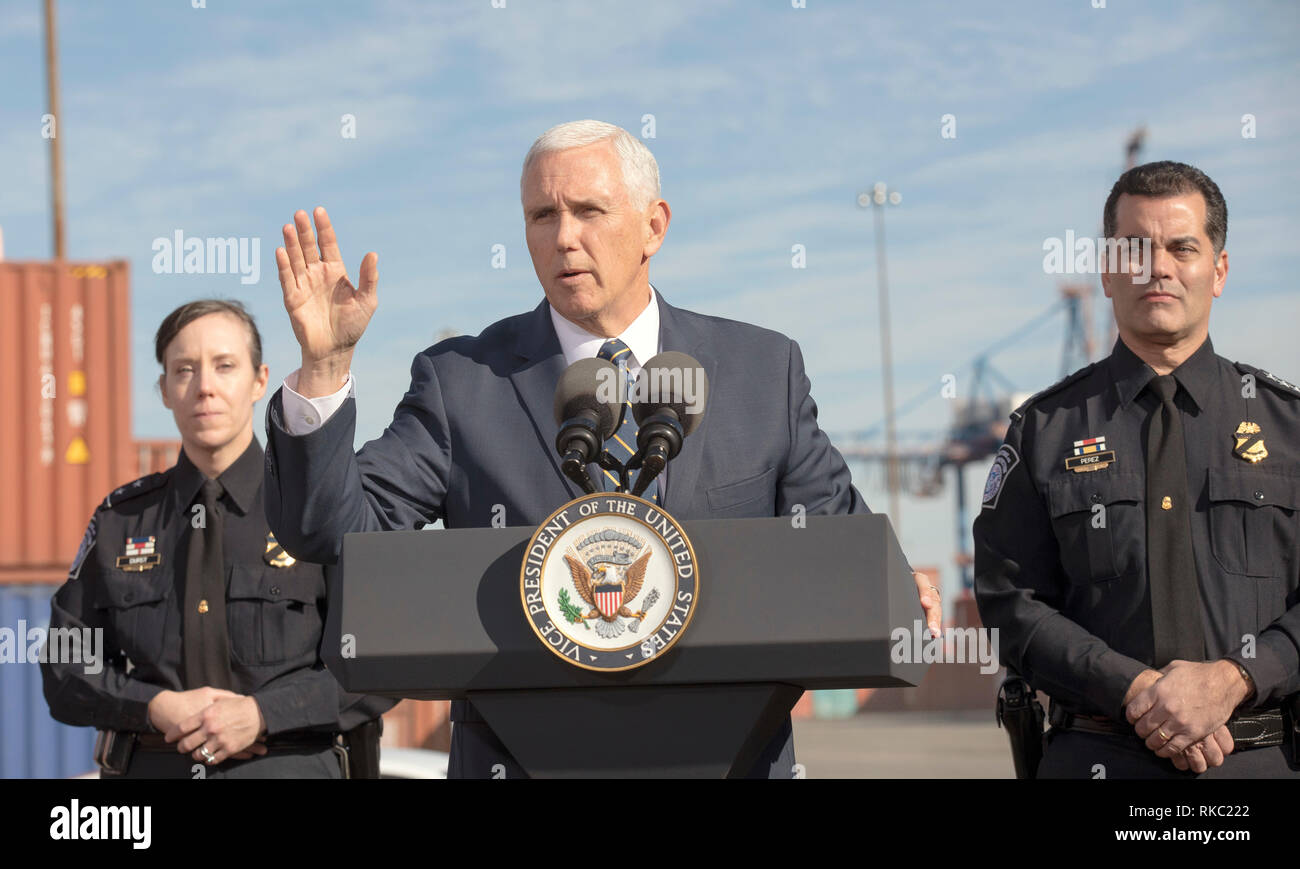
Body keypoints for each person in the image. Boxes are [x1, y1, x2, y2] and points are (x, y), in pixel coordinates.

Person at [263, 119, 942, 778]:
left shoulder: (762, 370)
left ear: (654, 225)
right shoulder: (461, 381)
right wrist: (324, 367)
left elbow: (838, 544)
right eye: (541, 216)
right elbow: (334, 531)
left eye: (589, 210)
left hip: (732, 754)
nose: (564, 237)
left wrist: (899, 585)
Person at [974, 161, 1298, 778]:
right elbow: (1009, 600)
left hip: (1260, 761)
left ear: (1219, 270)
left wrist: (1236, 679)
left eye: (1182, 247)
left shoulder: (1291, 430)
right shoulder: (1044, 429)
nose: (1159, 268)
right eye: (1135, 250)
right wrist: (1135, 691)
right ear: (1105, 272)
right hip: (1099, 756)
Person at [41, 299, 392, 778]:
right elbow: (64, 669)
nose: (204, 387)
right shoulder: (120, 522)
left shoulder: (319, 512)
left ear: (259, 380)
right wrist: (155, 706)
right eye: (184, 370)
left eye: (224, 366)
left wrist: (263, 715)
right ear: (164, 389)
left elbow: (382, 664)